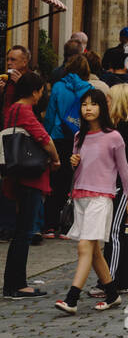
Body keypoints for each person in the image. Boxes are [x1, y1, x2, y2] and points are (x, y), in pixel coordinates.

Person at [54, 90, 128, 314]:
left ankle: (72, 298)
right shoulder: (78, 136)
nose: (88, 108)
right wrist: (73, 162)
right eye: (84, 105)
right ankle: (112, 294)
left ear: (103, 108)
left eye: (93, 104)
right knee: (95, 252)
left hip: (102, 197)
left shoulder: (114, 137)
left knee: (85, 247)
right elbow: (80, 166)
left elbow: (124, 170)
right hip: (81, 197)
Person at [2, 72, 59, 297]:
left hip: (16, 175)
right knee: (25, 232)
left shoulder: (12, 109)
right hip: (30, 176)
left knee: (20, 232)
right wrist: (55, 159)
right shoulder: (25, 110)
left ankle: (14, 282)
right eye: (41, 91)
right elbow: (45, 139)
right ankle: (16, 285)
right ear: (35, 91)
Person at [42, 55, 94, 237]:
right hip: (79, 138)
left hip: (58, 136)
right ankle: (69, 225)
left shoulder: (57, 86)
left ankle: (50, 225)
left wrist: (46, 135)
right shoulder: (89, 89)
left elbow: (50, 114)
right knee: (76, 179)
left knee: (54, 180)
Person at [104, 84, 128, 295]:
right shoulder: (111, 127)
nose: (106, 102)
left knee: (115, 233)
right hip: (111, 184)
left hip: (123, 185)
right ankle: (119, 278)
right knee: (114, 233)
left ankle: (113, 281)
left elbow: (126, 164)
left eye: (109, 99)